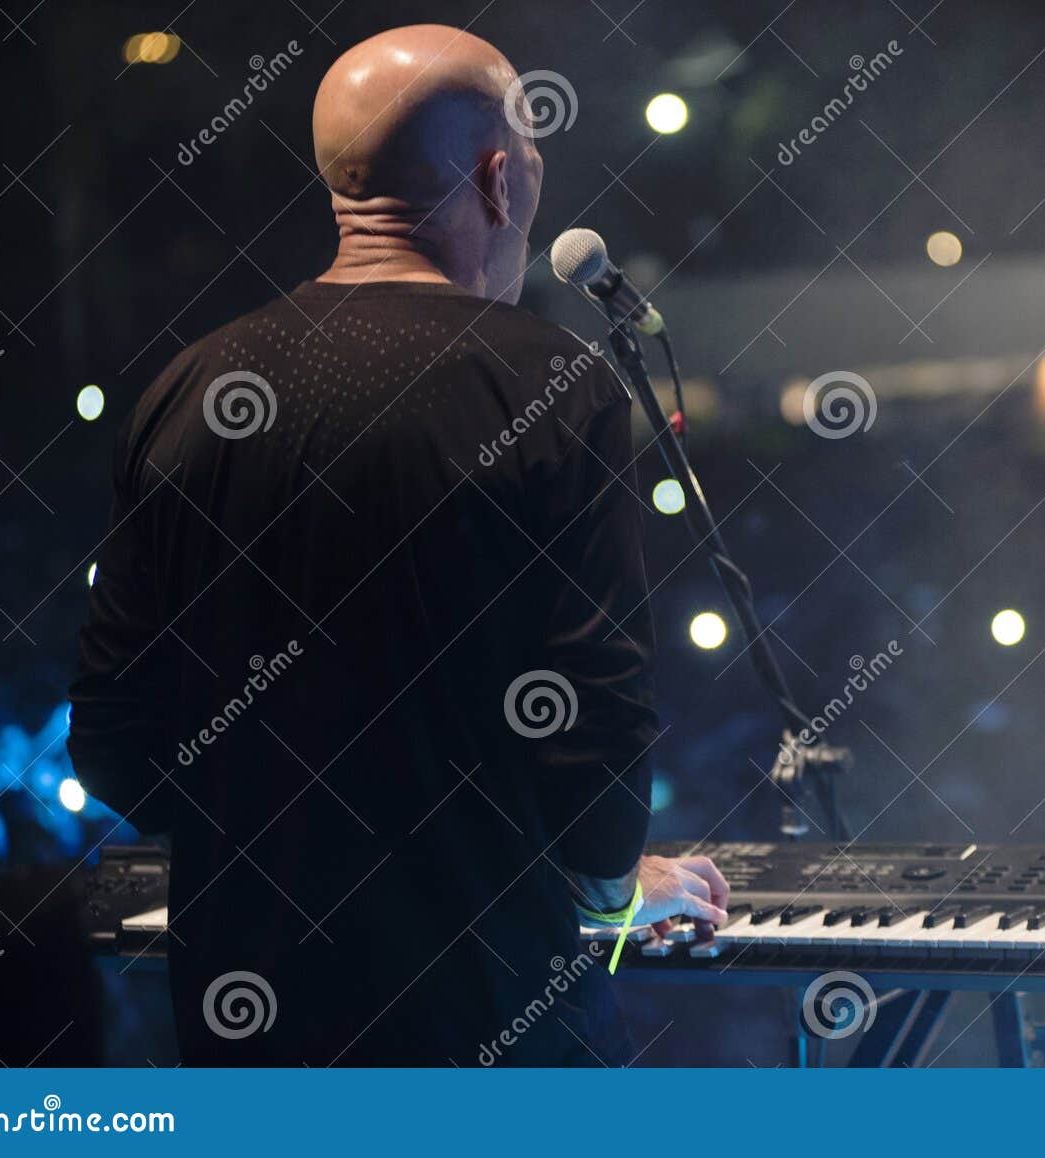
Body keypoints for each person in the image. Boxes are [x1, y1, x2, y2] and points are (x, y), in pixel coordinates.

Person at [68, 24, 727, 1066]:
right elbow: (598, 709)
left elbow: (113, 736)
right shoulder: (553, 386)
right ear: (499, 181)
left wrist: (270, 847)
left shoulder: (187, 391)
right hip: (493, 1019)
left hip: (252, 1021)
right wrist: (607, 894)